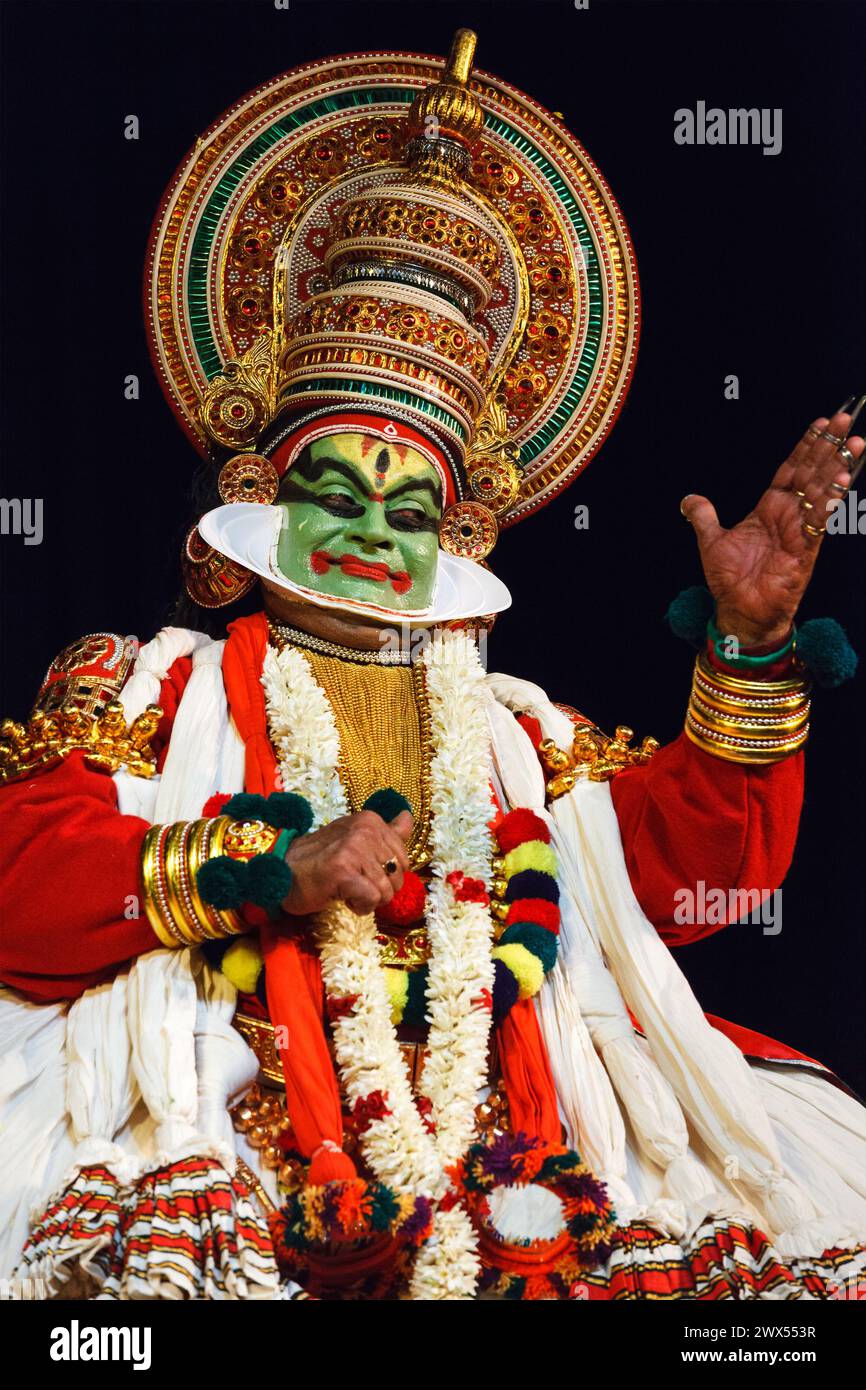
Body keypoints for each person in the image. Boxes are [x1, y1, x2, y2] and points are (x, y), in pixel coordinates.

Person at [1, 30, 864, 1302]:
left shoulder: (517, 729)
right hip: (210, 1097)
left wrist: (748, 643)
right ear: (253, 500)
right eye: (331, 492)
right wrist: (266, 869)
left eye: (408, 513)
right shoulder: (148, 684)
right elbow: (22, 890)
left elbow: (706, 874)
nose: (366, 534)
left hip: (527, 1121)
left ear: (454, 541)